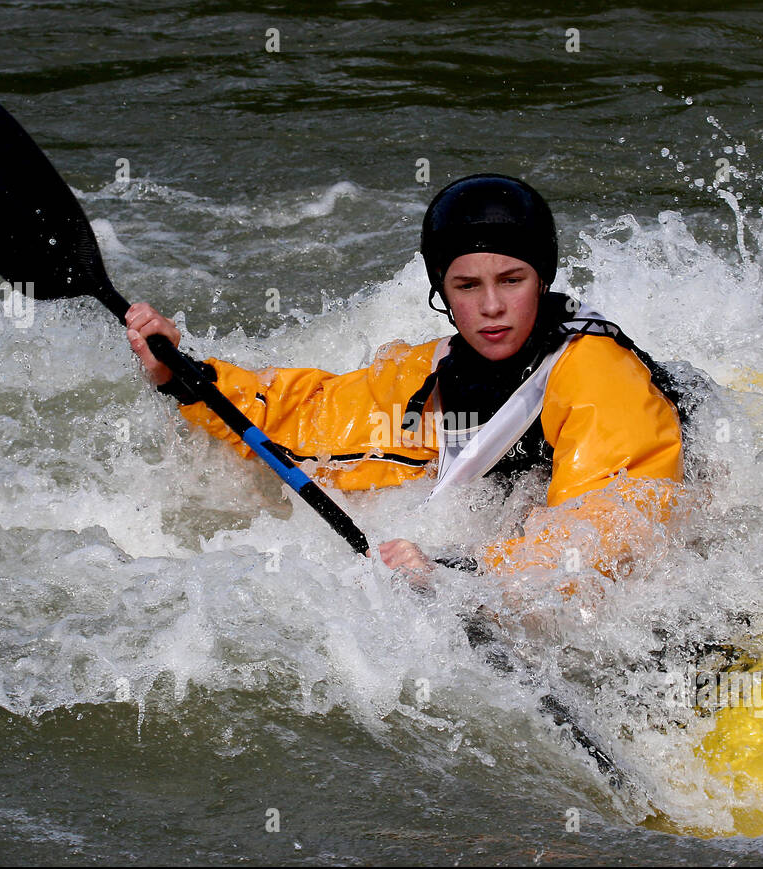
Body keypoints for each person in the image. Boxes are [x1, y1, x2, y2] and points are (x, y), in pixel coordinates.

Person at [125, 174, 684, 580]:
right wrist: (184, 374)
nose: (492, 307)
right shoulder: (432, 374)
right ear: (442, 291)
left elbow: (610, 529)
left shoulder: (597, 373)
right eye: (467, 286)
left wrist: (460, 575)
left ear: (543, 279)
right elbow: (303, 417)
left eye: (511, 280)